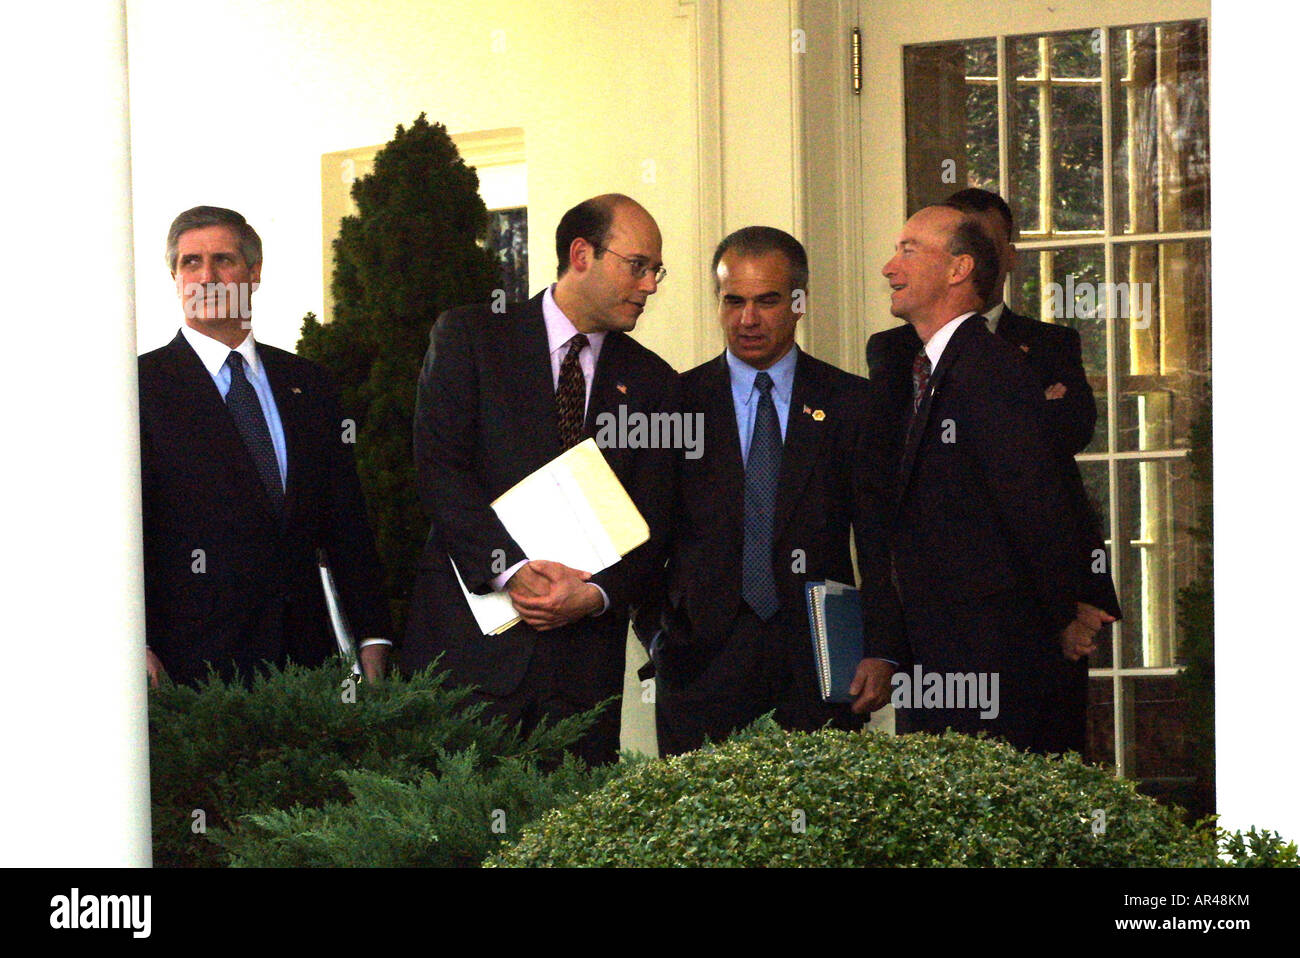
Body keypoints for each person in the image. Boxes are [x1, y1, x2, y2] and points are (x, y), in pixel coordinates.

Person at [400, 194, 679, 766]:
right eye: (638, 265)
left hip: (580, 682)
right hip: (470, 657)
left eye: (657, 270)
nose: (650, 284)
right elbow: (439, 469)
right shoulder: (471, 338)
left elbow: (656, 523)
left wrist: (596, 595)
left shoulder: (653, 383)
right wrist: (511, 569)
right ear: (582, 254)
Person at [865, 188, 1119, 754]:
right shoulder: (942, 363)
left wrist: (1063, 612)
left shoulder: (987, 370)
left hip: (990, 664)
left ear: (959, 269)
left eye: (909, 250)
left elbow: (1036, 506)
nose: (889, 266)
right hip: (943, 658)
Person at [644, 226, 897, 755]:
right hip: (699, 669)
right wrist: (660, 640)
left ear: (799, 302)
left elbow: (878, 541)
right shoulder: (674, 404)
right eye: (732, 301)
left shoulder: (853, 403)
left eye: (766, 301)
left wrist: (882, 650)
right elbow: (644, 537)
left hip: (820, 668)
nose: (747, 319)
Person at [139, 206, 391, 688]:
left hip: (309, 659)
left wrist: (373, 633)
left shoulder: (308, 383)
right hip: (190, 666)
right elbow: (124, 531)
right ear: (175, 277)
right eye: (191, 263)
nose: (206, 276)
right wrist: (137, 642)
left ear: (253, 273)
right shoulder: (139, 388)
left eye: (223, 260)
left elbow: (345, 517)